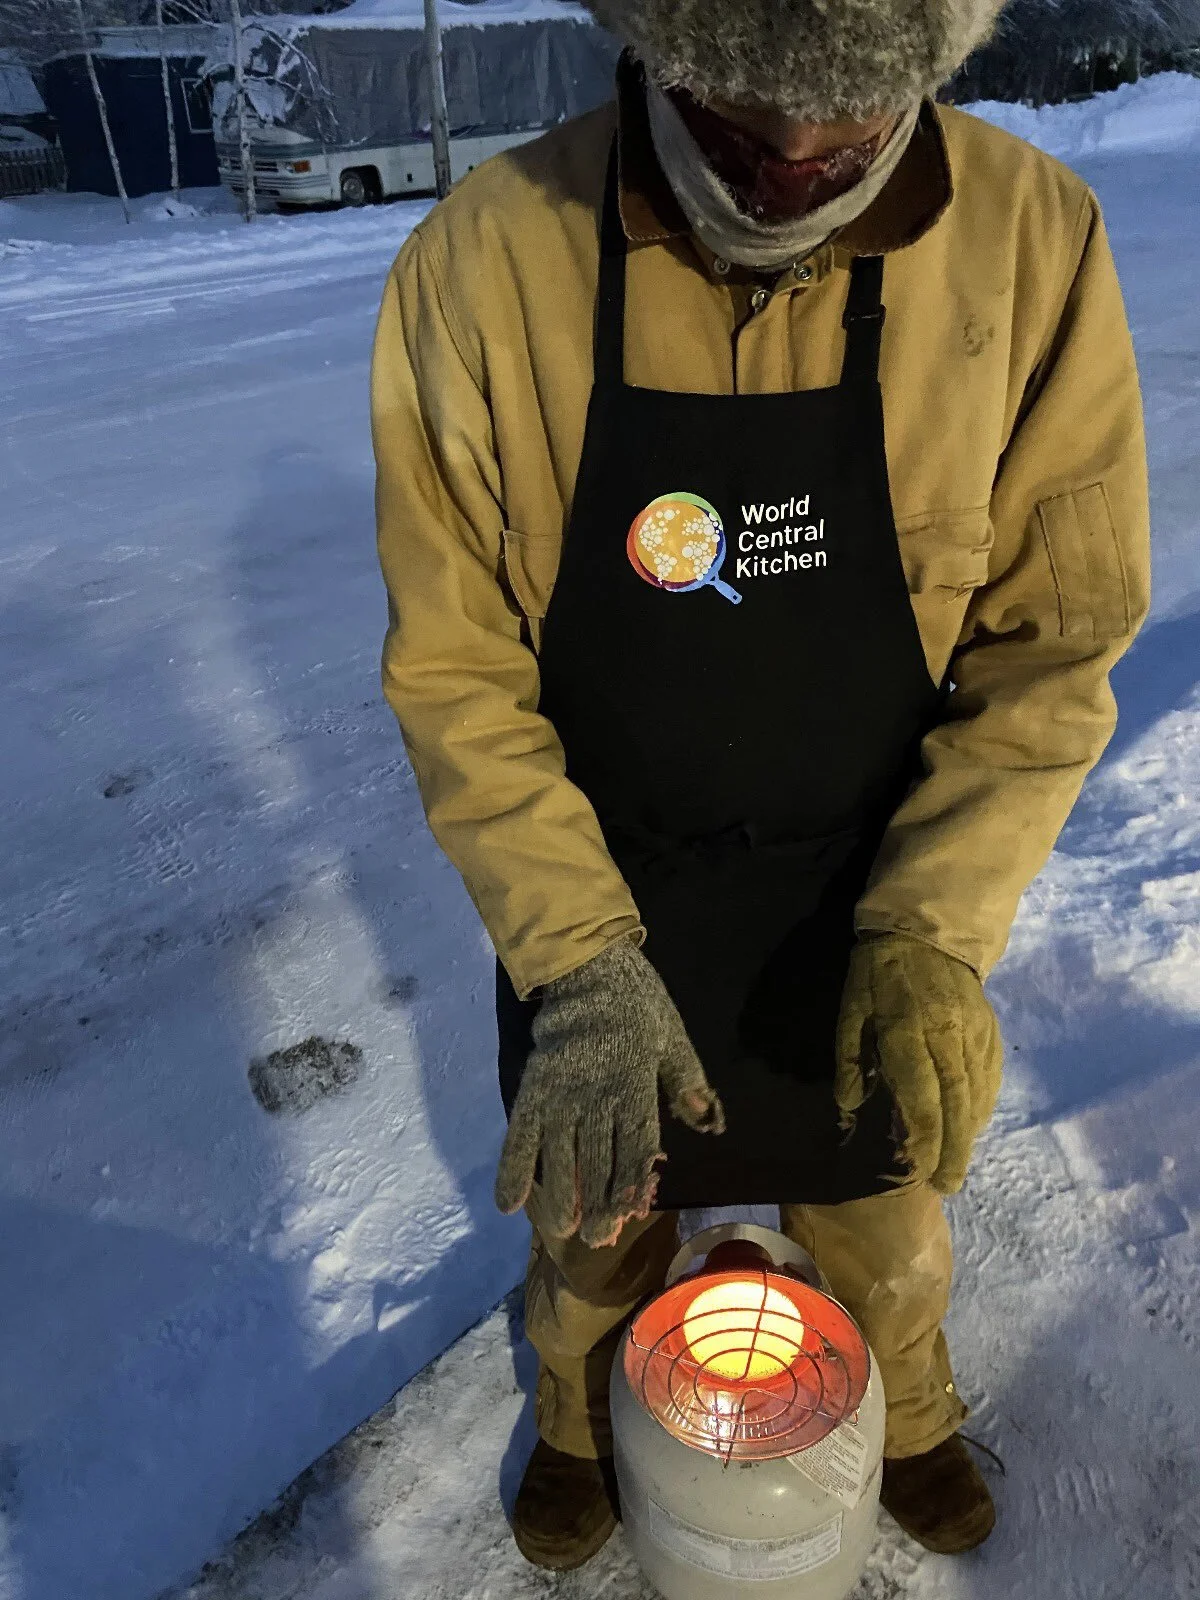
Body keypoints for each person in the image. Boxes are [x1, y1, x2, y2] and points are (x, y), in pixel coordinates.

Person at [372, 0, 1150, 1574]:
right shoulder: (488, 256)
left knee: (882, 1208)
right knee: (594, 1219)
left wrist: (931, 931)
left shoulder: (1032, 242)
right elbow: (456, 671)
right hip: (603, 876)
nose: (793, 161)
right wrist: (577, 964)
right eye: (738, 117)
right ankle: (582, 1410)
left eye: (848, 132)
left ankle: (908, 1401)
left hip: (869, 885)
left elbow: (1054, 647)